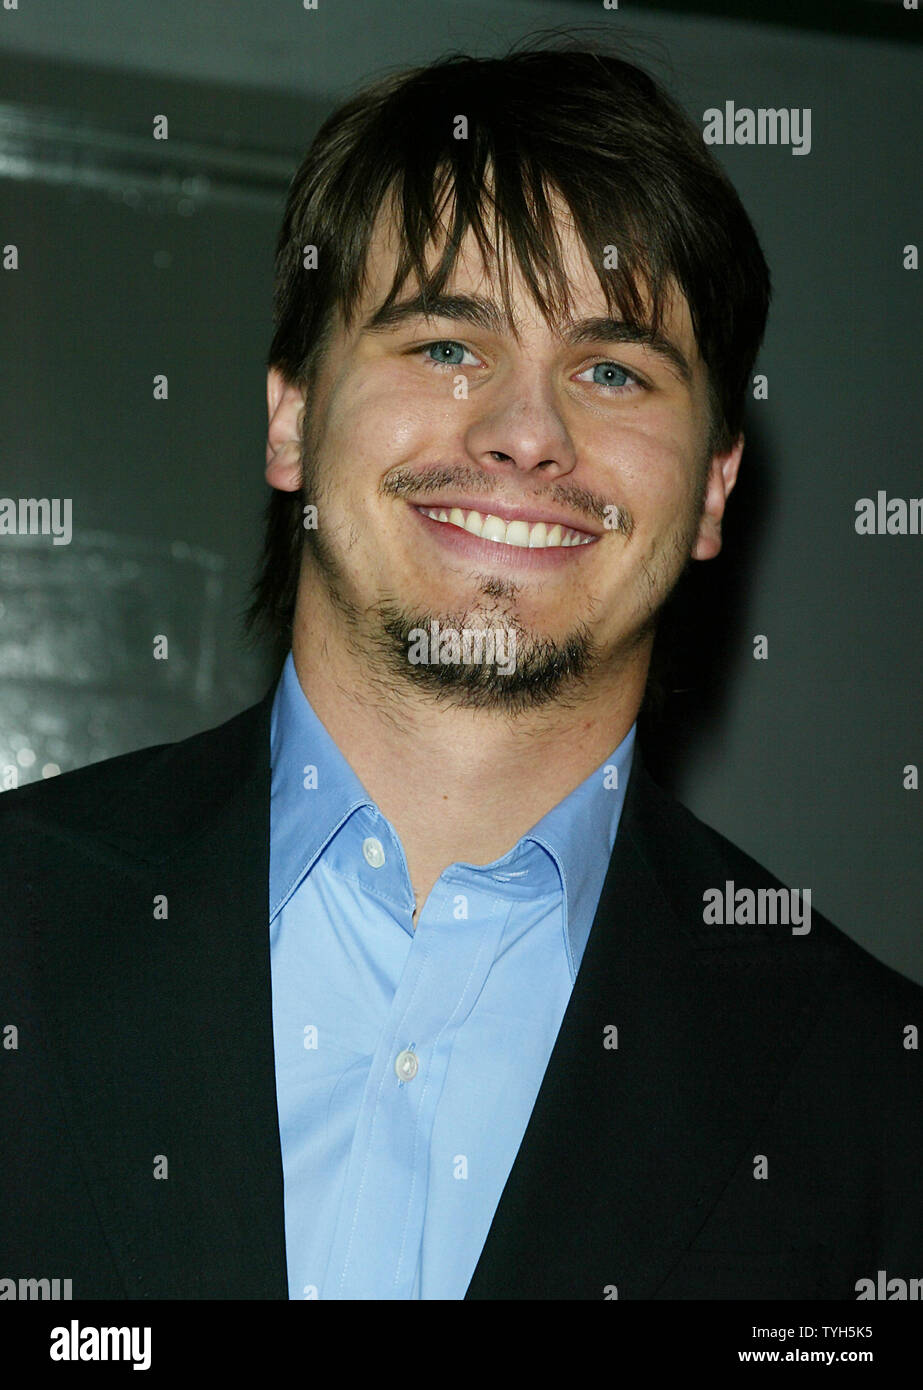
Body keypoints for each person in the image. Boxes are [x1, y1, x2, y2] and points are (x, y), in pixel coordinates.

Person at [2, 42, 920, 1302]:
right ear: (289, 415)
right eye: (443, 343)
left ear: (711, 488)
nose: (526, 433)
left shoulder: (878, 1094)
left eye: (612, 370)